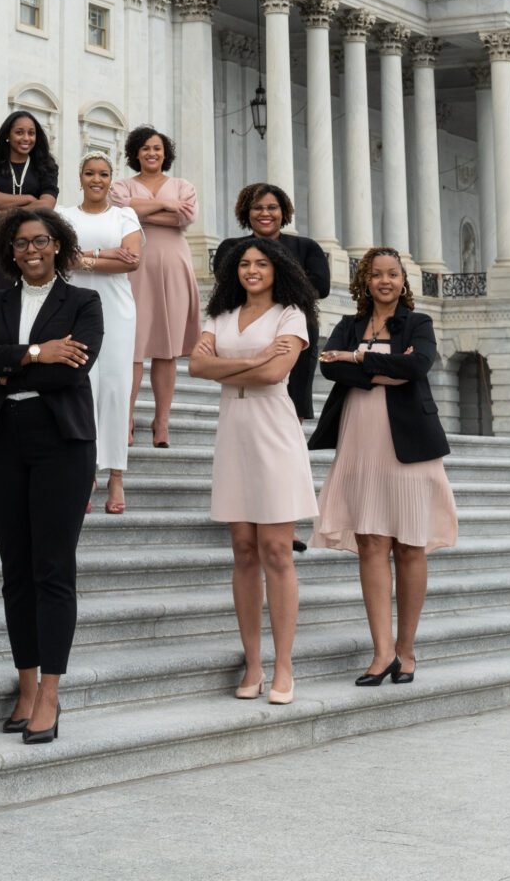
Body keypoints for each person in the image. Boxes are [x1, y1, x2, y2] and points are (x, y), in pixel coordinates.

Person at [0, 207, 103, 745]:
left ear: (58, 244)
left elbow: (75, 370)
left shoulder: (83, 302)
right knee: (15, 570)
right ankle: (24, 683)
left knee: (52, 568)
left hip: (61, 442)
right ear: (9, 251)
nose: (31, 250)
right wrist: (37, 353)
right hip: (3, 438)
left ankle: (50, 690)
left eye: (41, 240)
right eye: (21, 244)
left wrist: (5, 364)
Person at [310, 246, 457, 684]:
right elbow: (328, 368)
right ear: (365, 281)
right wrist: (381, 369)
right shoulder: (348, 324)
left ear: (403, 280)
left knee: (410, 545)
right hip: (359, 441)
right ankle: (382, 653)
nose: (385, 281)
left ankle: (407, 650)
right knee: (372, 544)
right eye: (377, 274)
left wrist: (356, 359)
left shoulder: (418, 322)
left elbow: (418, 365)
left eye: (393, 274)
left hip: (408, 444)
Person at [189, 236, 318, 704]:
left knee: (276, 550)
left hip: (274, 430)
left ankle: (284, 667)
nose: (251, 269)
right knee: (243, 549)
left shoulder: (291, 315)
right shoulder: (219, 315)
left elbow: (271, 376)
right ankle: (254, 664)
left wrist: (225, 365)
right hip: (234, 432)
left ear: (277, 268)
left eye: (261, 263)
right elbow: (194, 366)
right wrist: (252, 360)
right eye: (244, 263)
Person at [109, 127, 201, 447]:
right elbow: (120, 211)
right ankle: (125, 420)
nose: (153, 153)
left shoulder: (183, 186)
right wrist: (168, 207)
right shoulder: (122, 185)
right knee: (132, 348)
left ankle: (161, 423)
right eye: (146, 148)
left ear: (166, 153)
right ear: (136, 152)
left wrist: (141, 211)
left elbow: (187, 217)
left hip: (174, 266)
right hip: (135, 266)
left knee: (167, 349)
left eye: (158, 148)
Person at [0, 110, 61, 403]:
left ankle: (20, 376)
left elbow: (49, 206)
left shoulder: (45, 166)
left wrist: (9, 208)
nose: (25, 138)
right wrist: (28, 200)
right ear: (7, 134)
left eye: (31, 133)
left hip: (35, 248)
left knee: (30, 311)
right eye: (19, 132)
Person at [60, 152, 140, 512]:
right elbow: (61, 259)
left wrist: (85, 256)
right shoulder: (63, 216)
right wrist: (106, 256)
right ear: (80, 177)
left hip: (117, 312)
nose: (97, 179)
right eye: (89, 173)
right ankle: (85, 470)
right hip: (73, 310)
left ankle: (116, 477)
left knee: (115, 389)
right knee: (81, 387)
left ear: (112, 180)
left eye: (104, 174)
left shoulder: (125, 215)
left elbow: (132, 259)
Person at [214, 183, 330, 422]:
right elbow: (228, 284)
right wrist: (291, 283)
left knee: (293, 403)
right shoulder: (231, 247)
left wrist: (259, 285)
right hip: (245, 332)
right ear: (246, 212)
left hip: (294, 333)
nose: (265, 213)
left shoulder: (306, 247)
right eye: (257, 207)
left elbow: (321, 286)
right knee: (247, 398)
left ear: (284, 212)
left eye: (272, 207)